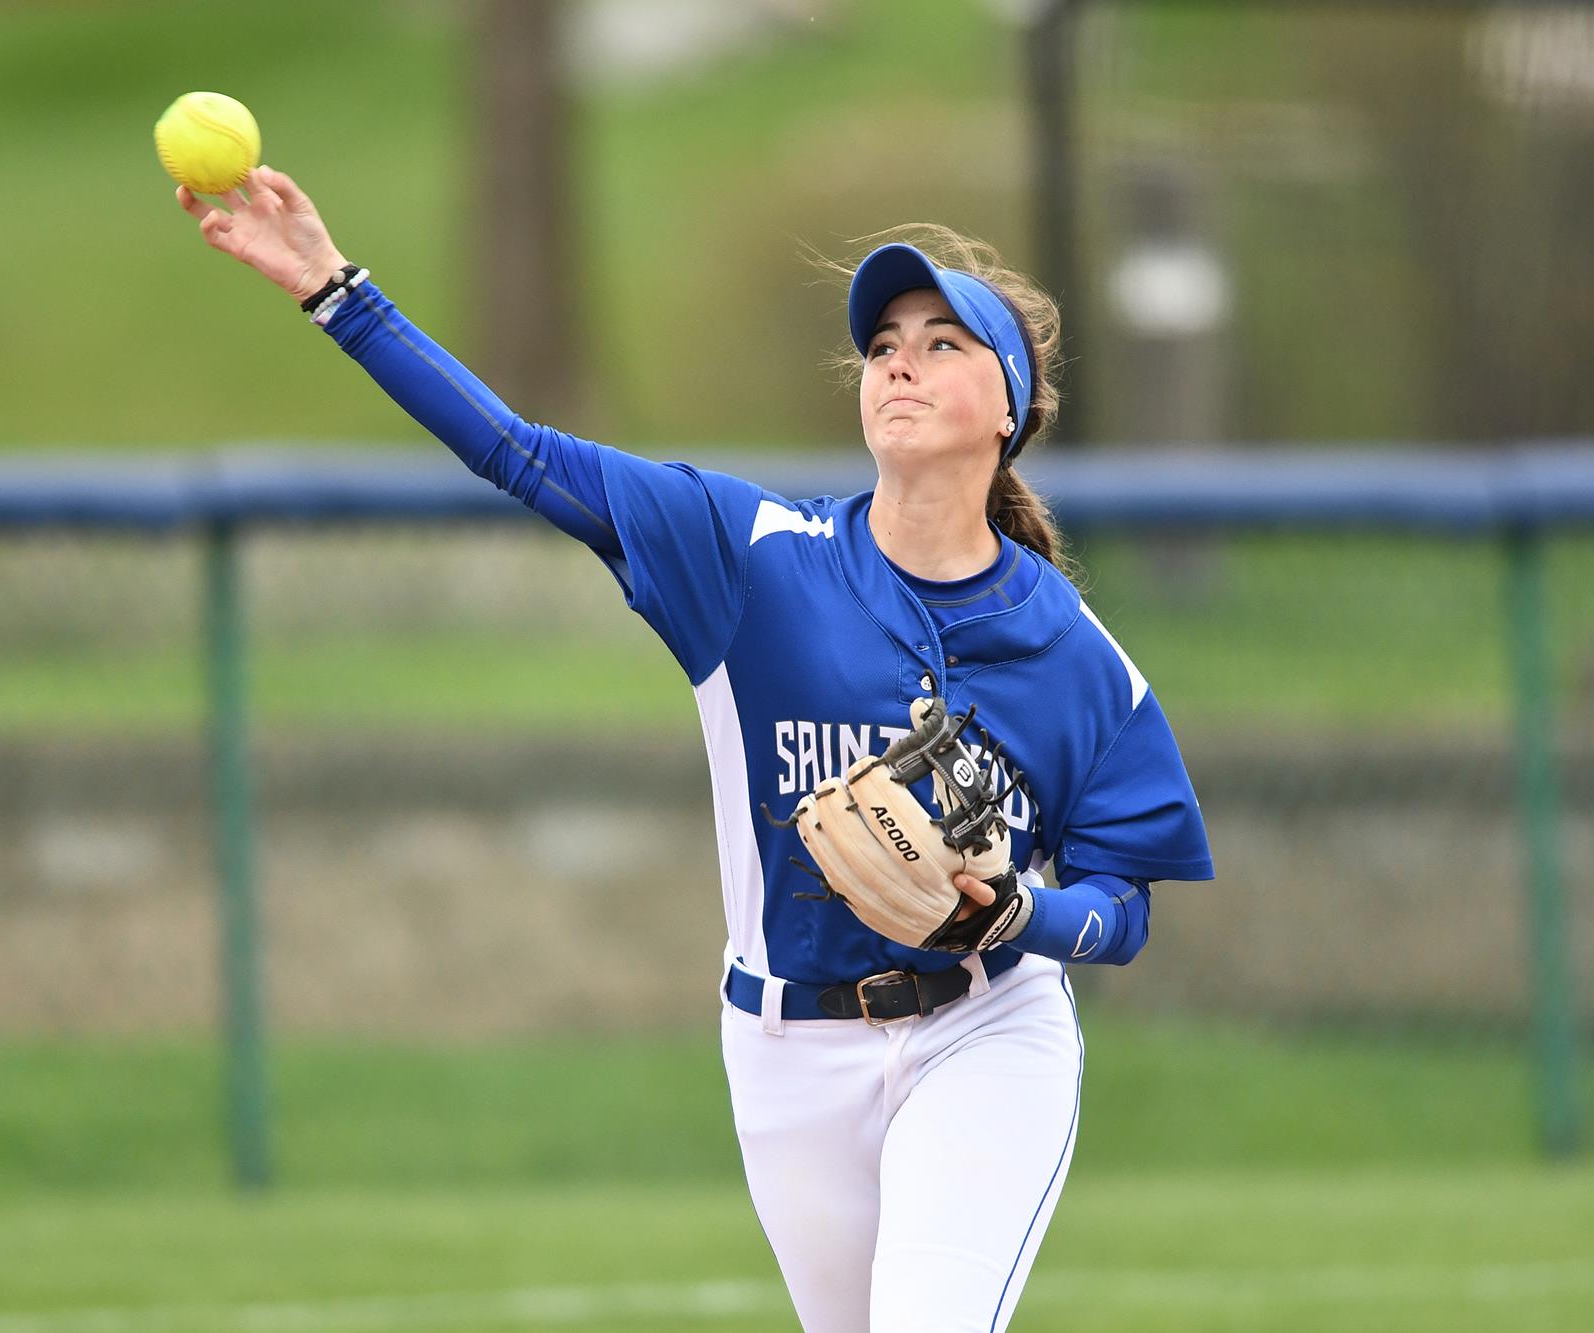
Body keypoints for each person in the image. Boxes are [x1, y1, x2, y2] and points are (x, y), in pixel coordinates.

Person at [178, 167, 1213, 1333]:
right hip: (787, 1048)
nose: (898, 364)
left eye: (940, 344)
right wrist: (333, 290)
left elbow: (1122, 907)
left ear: (1007, 408)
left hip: (984, 1031)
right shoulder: (749, 552)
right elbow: (517, 452)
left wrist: (1022, 914)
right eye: (880, 346)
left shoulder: (1069, 651)